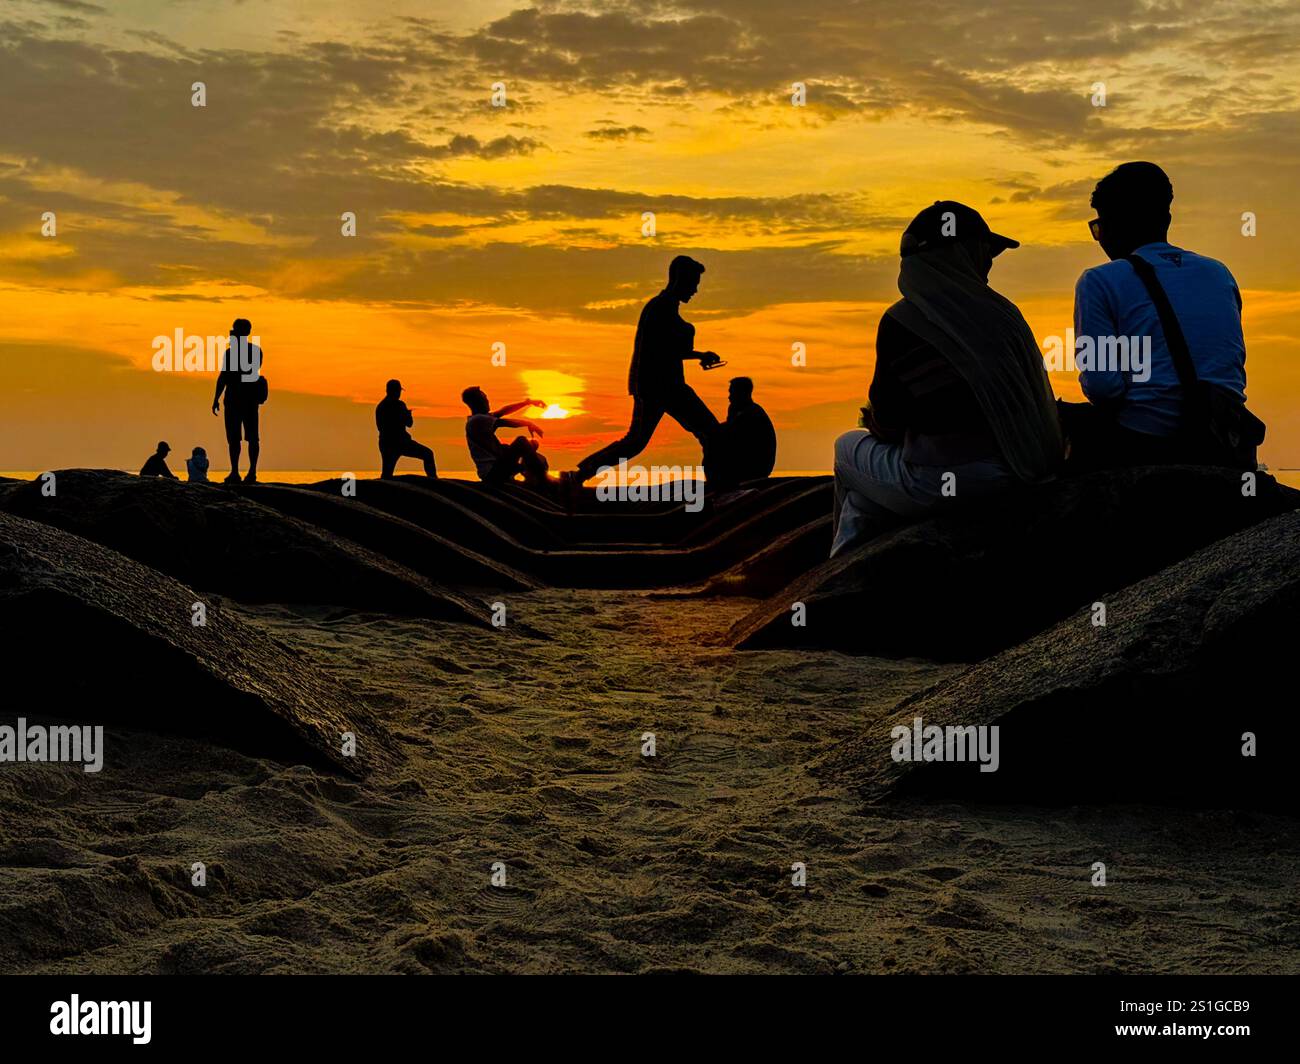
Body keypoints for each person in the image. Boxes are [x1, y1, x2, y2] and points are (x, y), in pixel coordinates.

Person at [831, 201, 1063, 556]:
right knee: (864, 501)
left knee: (846, 447)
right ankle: (844, 564)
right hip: (1020, 472)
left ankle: (838, 575)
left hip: (945, 484)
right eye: (985, 252)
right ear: (961, 255)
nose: (987, 264)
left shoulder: (904, 320)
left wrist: (879, 423)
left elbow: (890, 419)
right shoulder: (1004, 314)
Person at [1063, 161, 1251, 470]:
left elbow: (1102, 387)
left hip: (1147, 438)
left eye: (1098, 228)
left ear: (1113, 225)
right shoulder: (1218, 273)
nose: (1100, 240)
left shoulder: (1099, 281)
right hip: (1222, 437)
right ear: (1166, 218)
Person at [569, 256, 722, 485]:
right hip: (659, 387)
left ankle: (718, 481)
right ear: (680, 279)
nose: (696, 290)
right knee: (704, 432)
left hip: (667, 386)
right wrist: (697, 353)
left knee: (706, 432)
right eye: (693, 283)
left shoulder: (665, 307)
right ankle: (579, 475)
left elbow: (667, 349)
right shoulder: (660, 308)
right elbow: (660, 350)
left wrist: (698, 355)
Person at [461, 387, 550, 488]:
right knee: (521, 442)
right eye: (484, 398)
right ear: (476, 403)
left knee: (531, 445)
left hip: (498, 469)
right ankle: (545, 482)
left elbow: (504, 411)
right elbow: (504, 422)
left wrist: (527, 403)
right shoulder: (477, 420)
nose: (487, 401)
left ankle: (533, 477)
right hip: (492, 473)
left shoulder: (481, 418)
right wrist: (528, 423)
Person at [211, 318, 264, 484]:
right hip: (240, 400)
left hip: (241, 399)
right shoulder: (249, 351)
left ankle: (248, 472)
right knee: (238, 438)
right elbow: (224, 376)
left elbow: (232, 374)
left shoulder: (240, 351)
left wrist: (216, 398)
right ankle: (238, 471)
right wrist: (216, 398)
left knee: (248, 438)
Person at [707, 377, 777, 490]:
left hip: (756, 466)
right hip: (741, 462)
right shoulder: (734, 409)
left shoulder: (753, 414)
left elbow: (736, 438)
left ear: (743, 393)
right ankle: (717, 481)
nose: (729, 397)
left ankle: (720, 482)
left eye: (732, 393)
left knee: (714, 441)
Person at [375, 379, 437, 479]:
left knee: (387, 473)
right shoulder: (399, 405)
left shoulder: (381, 406)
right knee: (428, 454)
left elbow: (380, 427)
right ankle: (434, 480)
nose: (399, 394)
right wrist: (408, 415)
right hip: (401, 442)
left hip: (386, 443)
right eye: (398, 391)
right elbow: (409, 423)